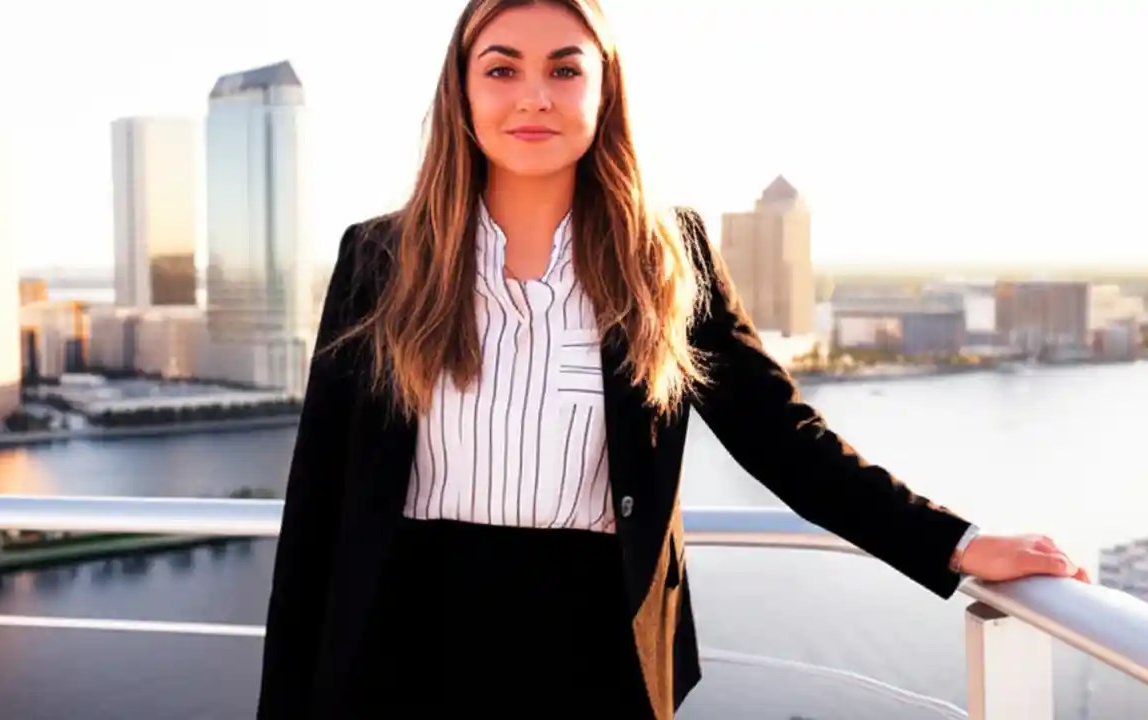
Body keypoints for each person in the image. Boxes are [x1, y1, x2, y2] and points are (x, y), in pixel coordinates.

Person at [255, 1, 1089, 718]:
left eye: (565, 70)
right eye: (502, 71)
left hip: (595, 641)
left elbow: (782, 438)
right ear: (462, 92)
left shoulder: (666, 254)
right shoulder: (380, 257)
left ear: (604, 87)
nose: (534, 97)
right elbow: (318, 502)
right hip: (399, 635)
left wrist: (954, 544)